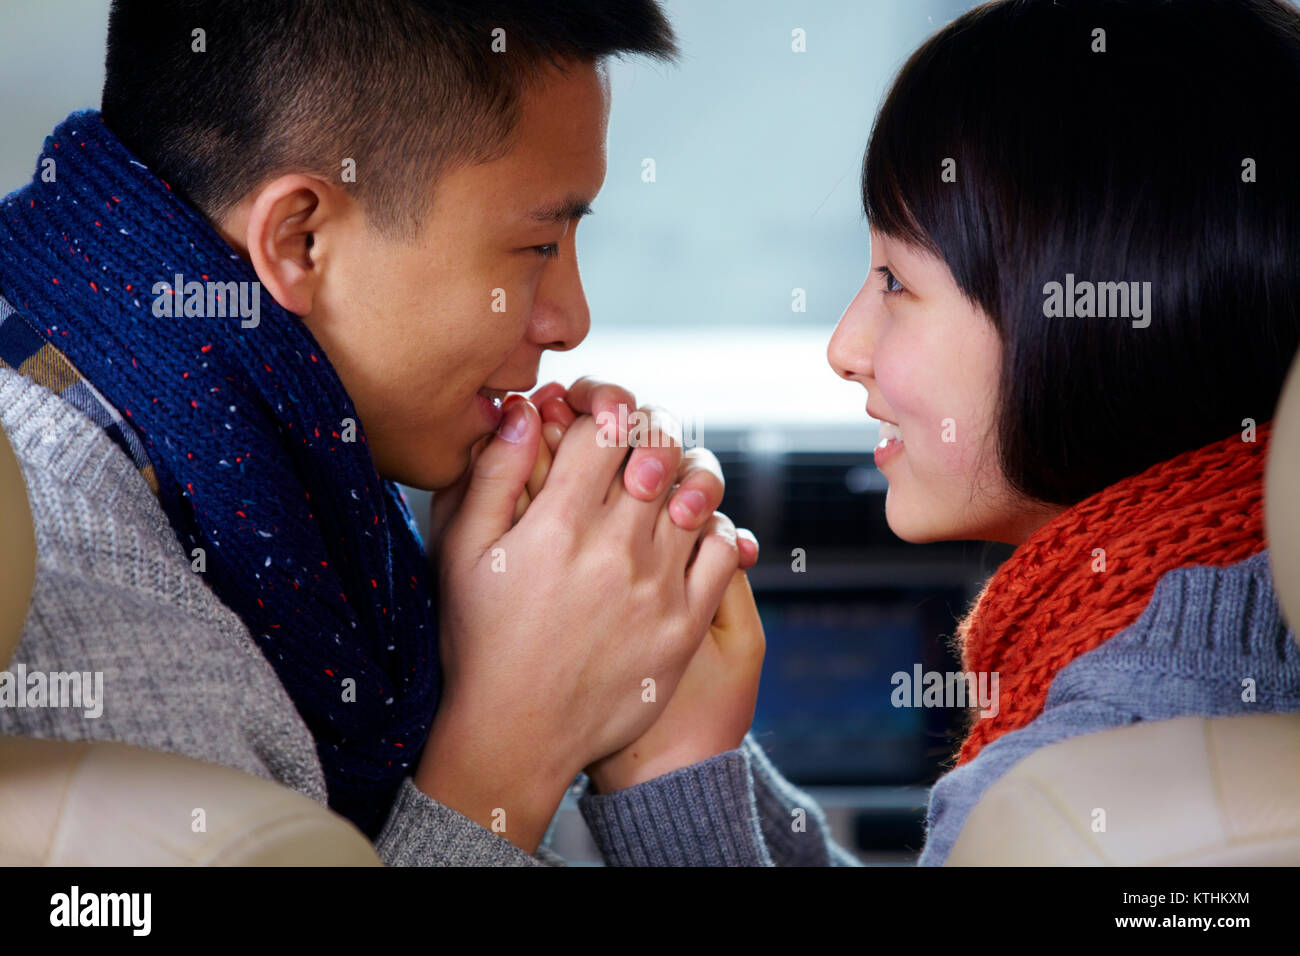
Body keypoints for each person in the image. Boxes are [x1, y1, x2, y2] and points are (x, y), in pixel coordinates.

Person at [0, 0, 850, 866]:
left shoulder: (288, 458)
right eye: (538, 246)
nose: (571, 322)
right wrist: (515, 742)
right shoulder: (80, 617)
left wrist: (629, 662)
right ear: (300, 240)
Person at [540, 0, 1300, 865]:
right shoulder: (1230, 674)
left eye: (896, 282)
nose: (844, 349)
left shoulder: (1073, 786)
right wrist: (690, 751)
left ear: (1082, 321)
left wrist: (668, 778)